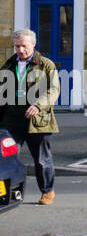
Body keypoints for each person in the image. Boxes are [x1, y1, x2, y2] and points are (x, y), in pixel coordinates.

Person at [1, 29, 59, 204]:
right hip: (11, 122)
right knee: (6, 159)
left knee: (42, 159)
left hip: (38, 122)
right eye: (17, 46)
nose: (20, 50)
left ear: (33, 44)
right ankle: (7, 193)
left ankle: (47, 191)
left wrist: (38, 105)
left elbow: (54, 90)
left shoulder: (46, 65)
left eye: (24, 46)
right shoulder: (8, 66)